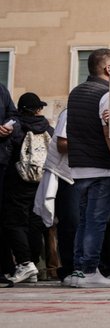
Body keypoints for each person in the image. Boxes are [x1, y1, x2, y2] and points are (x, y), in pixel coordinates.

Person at [62, 48, 110, 288]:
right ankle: (88, 271)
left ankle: (78, 271)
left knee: (84, 221)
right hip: (103, 167)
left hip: (79, 167)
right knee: (96, 222)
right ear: (108, 69)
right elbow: (108, 133)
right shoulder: (108, 94)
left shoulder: (75, 92)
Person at [1, 91, 50, 286]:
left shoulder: (15, 127)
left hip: (17, 181)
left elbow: (8, 152)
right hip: (41, 181)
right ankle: (33, 266)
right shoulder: (47, 127)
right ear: (38, 109)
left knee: (14, 223)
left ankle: (25, 263)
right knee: (34, 224)